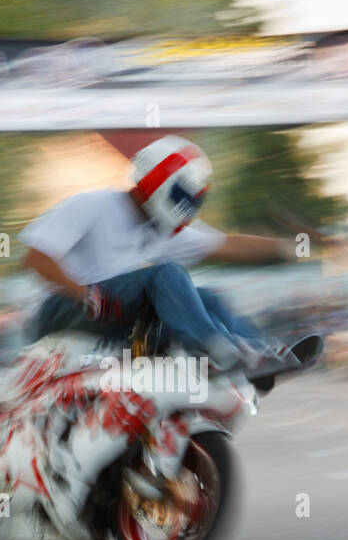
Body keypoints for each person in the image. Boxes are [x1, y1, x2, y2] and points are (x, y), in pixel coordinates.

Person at [19, 135, 320, 375]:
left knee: (207, 298)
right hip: (60, 309)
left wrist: (295, 246)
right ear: (158, 181)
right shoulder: (92, 205)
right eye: (182, 196)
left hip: (111, 313)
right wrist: (85, 294)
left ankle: (258, 354)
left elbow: (228, 244)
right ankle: (211, 349)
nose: (187, 206)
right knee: (168, 274)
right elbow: (36, 258)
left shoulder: (163, 227)